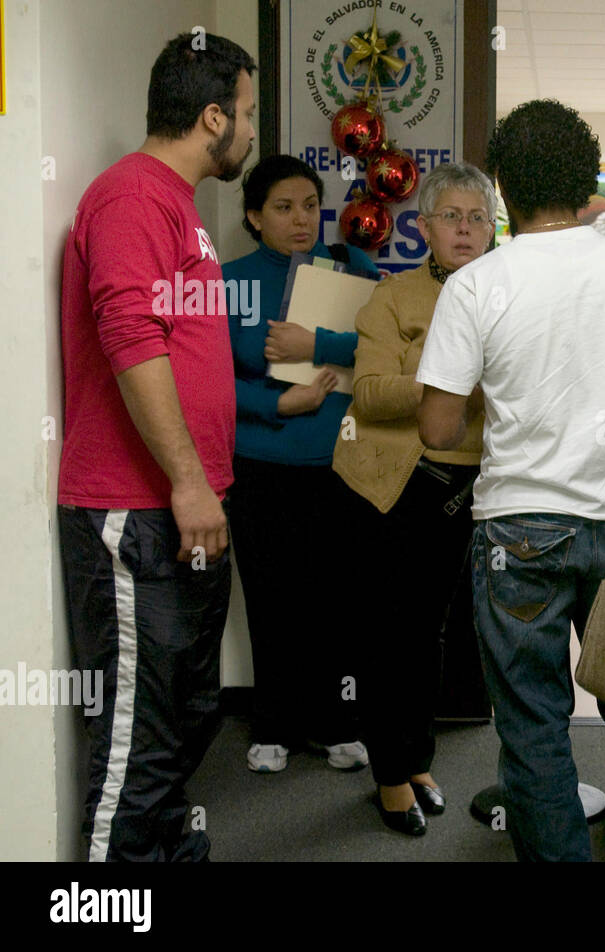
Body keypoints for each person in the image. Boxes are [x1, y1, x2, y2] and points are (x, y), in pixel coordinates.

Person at [415, 100, 605, 861]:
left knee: (534, 724)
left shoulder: (474, 287)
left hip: (517, 533)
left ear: (502, 185)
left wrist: (500, 400)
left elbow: (437, 431)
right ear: (583, 175)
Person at [58, 32, 257, 861]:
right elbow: (131, 336)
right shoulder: (134, 198)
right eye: (245, 114)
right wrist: (186, 483)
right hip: (138, 514)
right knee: (134, 753)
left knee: (183, 718)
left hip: (185, 510)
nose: (250, 131)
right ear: (211, 116)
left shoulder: (179, 204)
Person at [332, 162, 494, 835]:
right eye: (451, 217)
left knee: (431, 638)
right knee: (387, 636)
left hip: (472, 491)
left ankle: (417, 759)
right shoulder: (393, 297)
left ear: (493, 229)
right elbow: (368, 394)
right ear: (423, 227)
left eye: (477, 217)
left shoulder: (509, 293)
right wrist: (449, 373)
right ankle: (390, 775)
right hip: (392, 486)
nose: (465, 228)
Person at [222, 154, 379, 774]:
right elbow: (206, 385)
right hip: (261, 465)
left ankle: (338, 723)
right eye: (283, 208)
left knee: (339, 599)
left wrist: (318, 345)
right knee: (272, 599)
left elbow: (387, 346)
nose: (301, 220)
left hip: (341, 463)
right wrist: (278, 400)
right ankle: (274, 724)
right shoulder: (227, 281)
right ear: (254, 216)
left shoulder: (350, 265)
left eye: (311, 206)